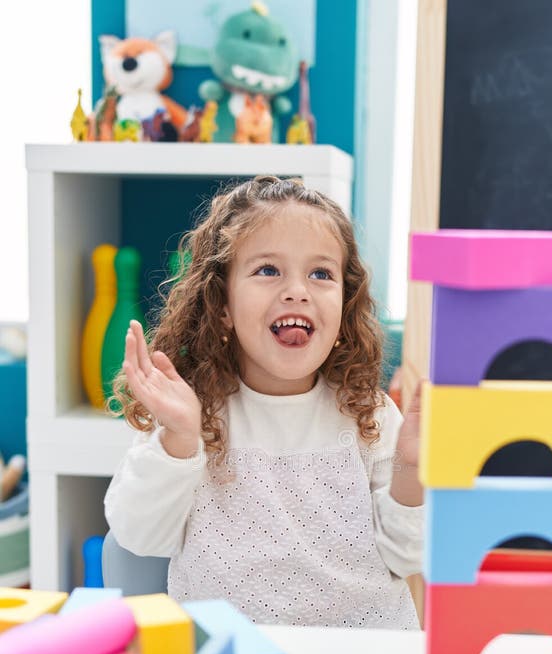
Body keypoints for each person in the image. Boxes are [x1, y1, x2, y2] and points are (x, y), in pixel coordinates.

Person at [104, 175, 424, 628]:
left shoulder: (368, 414)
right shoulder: (193, 415)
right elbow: (138, 537)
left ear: (345, 305)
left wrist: (411, 472)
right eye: (268, 270)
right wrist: (179, 438)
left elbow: (407, 557)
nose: (298, 290)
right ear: (222, 306)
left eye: (321, 273)